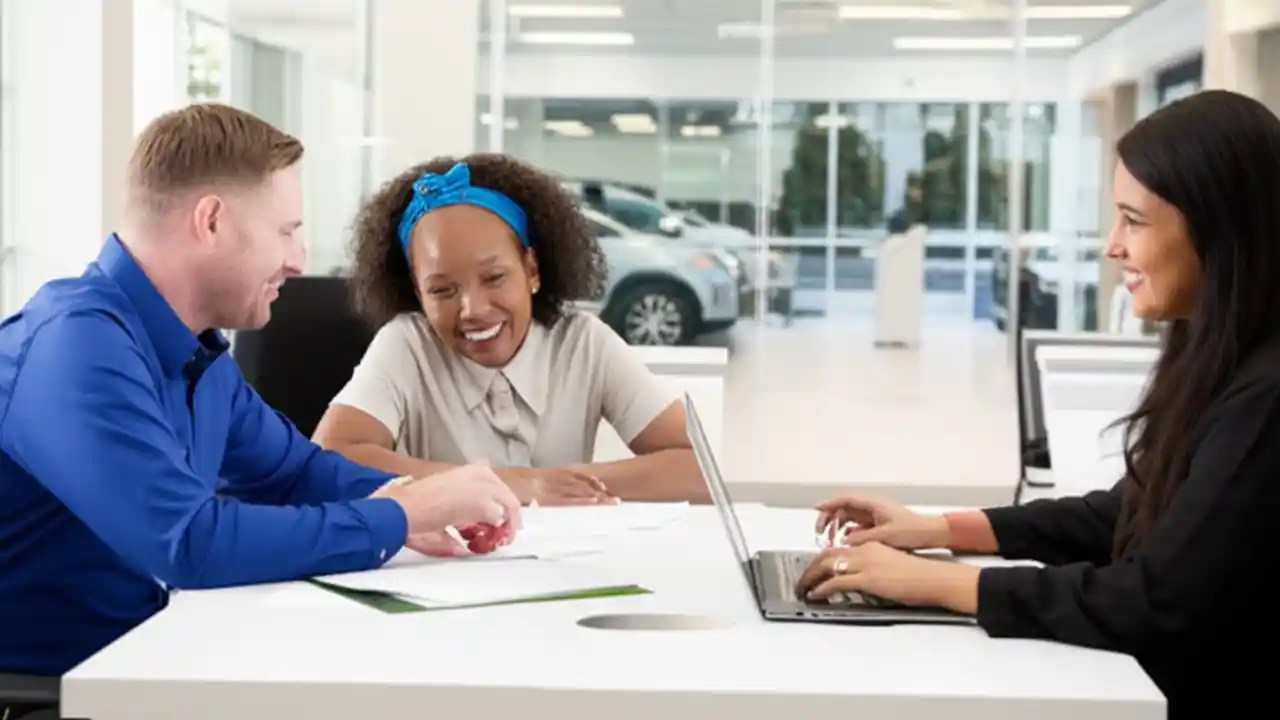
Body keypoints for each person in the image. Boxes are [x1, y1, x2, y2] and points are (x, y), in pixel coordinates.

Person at [795, 89, 1280, 717]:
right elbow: (1134, 511)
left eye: (1133, 221)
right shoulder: (1219, 353)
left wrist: (941, 583)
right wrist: (941, 530)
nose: (1113, 246)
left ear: (1218, 230)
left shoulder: (1267, 397)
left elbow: (1160, 601)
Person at [0, 105, 521, 679]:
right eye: (286, 232)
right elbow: (188, 542)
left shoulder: (195, 352)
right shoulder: (75, 344)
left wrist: (430, 497)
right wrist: (398, 515)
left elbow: (293, 473)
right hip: (51, 695)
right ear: (212, 220)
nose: (297, 261)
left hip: (148, 664)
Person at [312, 154, 708, 506]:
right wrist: (514, 485)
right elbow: (330, 462)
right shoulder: (406, 344)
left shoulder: (584, 341)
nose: (473, 310)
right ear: (417, 292)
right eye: (442, 290)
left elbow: (699, 470)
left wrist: (562, 487)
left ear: (531, 269)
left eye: (495, 277)